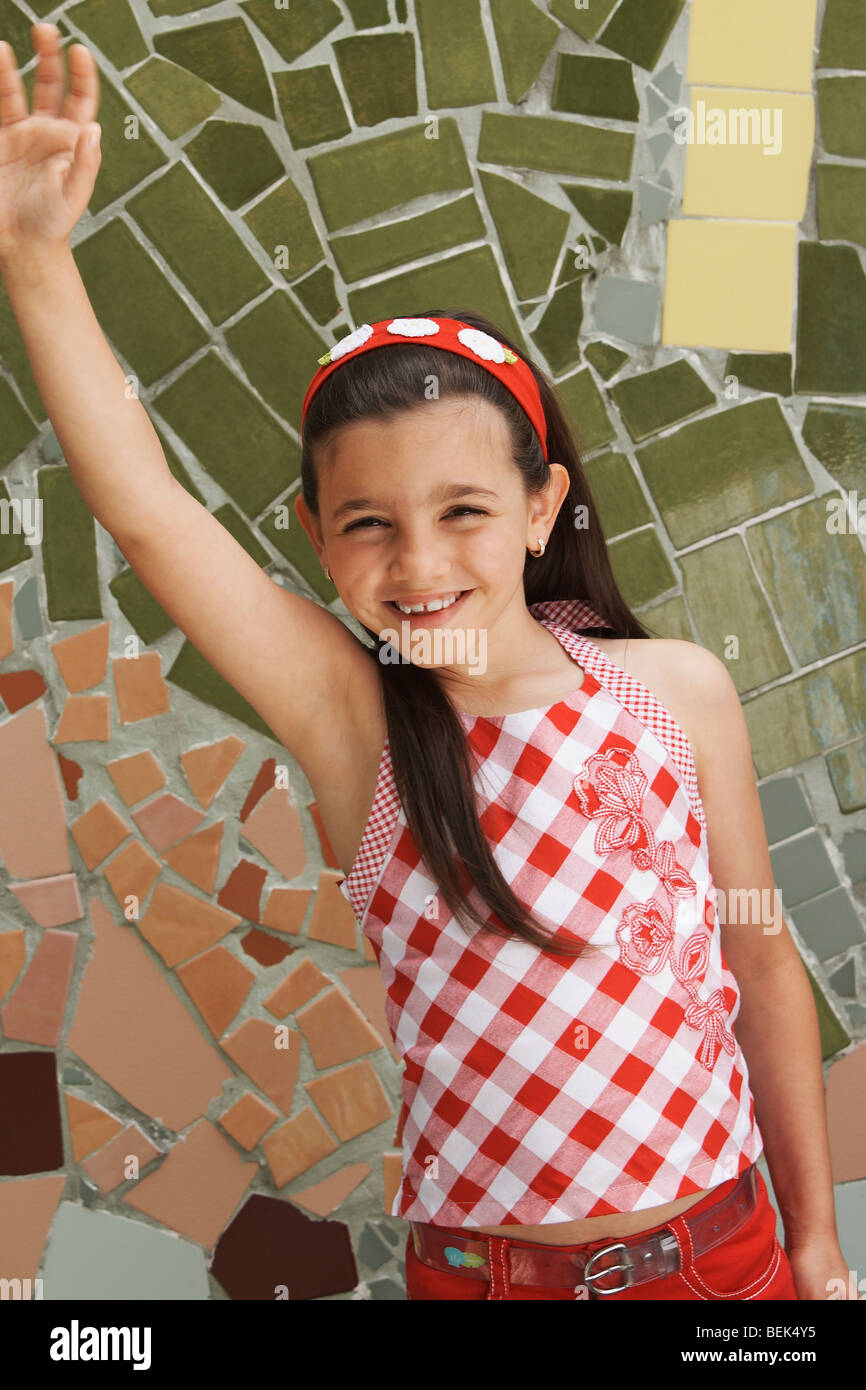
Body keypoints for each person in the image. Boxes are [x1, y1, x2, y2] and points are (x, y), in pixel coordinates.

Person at [0, 23, 854, 1303]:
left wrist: (812, 1245)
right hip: (483, 1280)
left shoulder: (673, 692)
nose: (416, 562)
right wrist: (33, 255)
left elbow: (759, 963)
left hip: (720, 1265)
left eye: (461, 509)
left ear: (537, 504)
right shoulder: (358, 722)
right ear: (314, 537)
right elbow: (149, 513)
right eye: (366, 525)